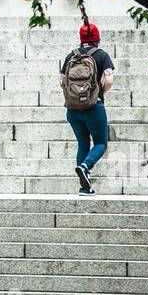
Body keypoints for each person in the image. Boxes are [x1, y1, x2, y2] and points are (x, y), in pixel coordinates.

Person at [60, 23, 115, 196]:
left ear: (81, 38)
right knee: (100, 143)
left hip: (73, 109)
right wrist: (99, 93)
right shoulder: (102, 55)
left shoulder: (71, 56)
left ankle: (85, 187)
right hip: (93, 107)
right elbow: (109, 80)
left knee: (83, 144)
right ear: (97, 39)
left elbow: (62, 82)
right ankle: (85, 166)